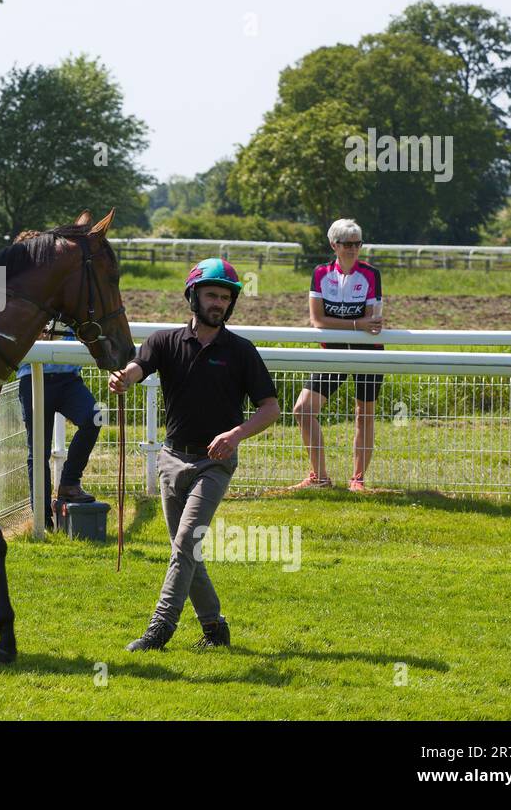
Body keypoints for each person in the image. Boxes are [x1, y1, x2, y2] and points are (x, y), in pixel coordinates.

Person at [109, 258, 280, 652]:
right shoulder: (163, 341)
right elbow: (138, 367)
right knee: (186, 550)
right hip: (171, 460)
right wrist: (123, 379)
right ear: (193, 296)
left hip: (214, 464)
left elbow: (270, 408)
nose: (218, 303)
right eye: (211, 295)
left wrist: (236, 435)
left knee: (186, 542)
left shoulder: (241, 351)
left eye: (224, 297)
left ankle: (159, 629)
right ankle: (215, 629)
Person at [13, 230, 100, 528]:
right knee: (38, 449)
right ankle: (42, 519)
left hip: (67, 378)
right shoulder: (17, 293)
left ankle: (69, 483)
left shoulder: (61, 287)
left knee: (95, 417)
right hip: (32, 380)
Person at [290, 218, 384, 493]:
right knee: (303, 410)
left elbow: (374, 323)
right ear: (334, 245)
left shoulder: (371, 274)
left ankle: (357, 480)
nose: (353, 249)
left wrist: (353, 325)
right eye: (347, 244)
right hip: (332, 352)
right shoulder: (320, 273)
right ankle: (319, 476)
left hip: (368, 353)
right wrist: (356, 325)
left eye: (358, 243)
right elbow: (317, 320)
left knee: (363, 414)